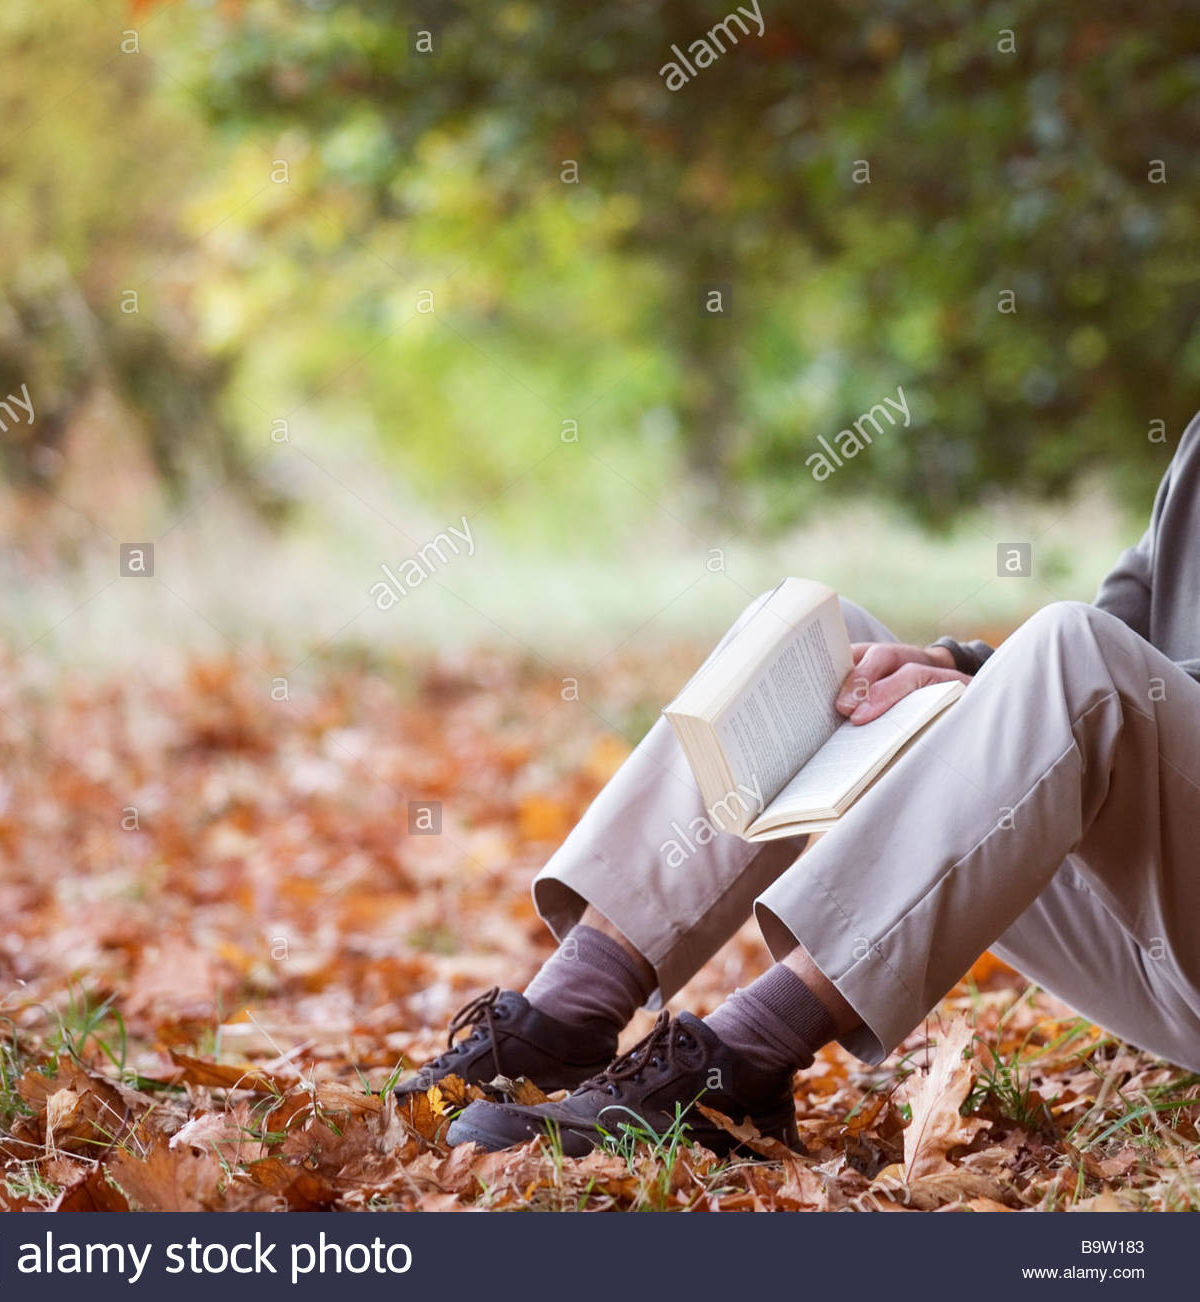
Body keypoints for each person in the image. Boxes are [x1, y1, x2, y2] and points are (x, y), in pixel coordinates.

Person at [403, 415, 1200, 1157]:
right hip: (1157, 935)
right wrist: (954, 665)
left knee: (1066, 648)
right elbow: (1128, 647)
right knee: (829, 637)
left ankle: (740, 1066)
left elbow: (1098, 667)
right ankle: (564, 1022)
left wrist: (983, 674)